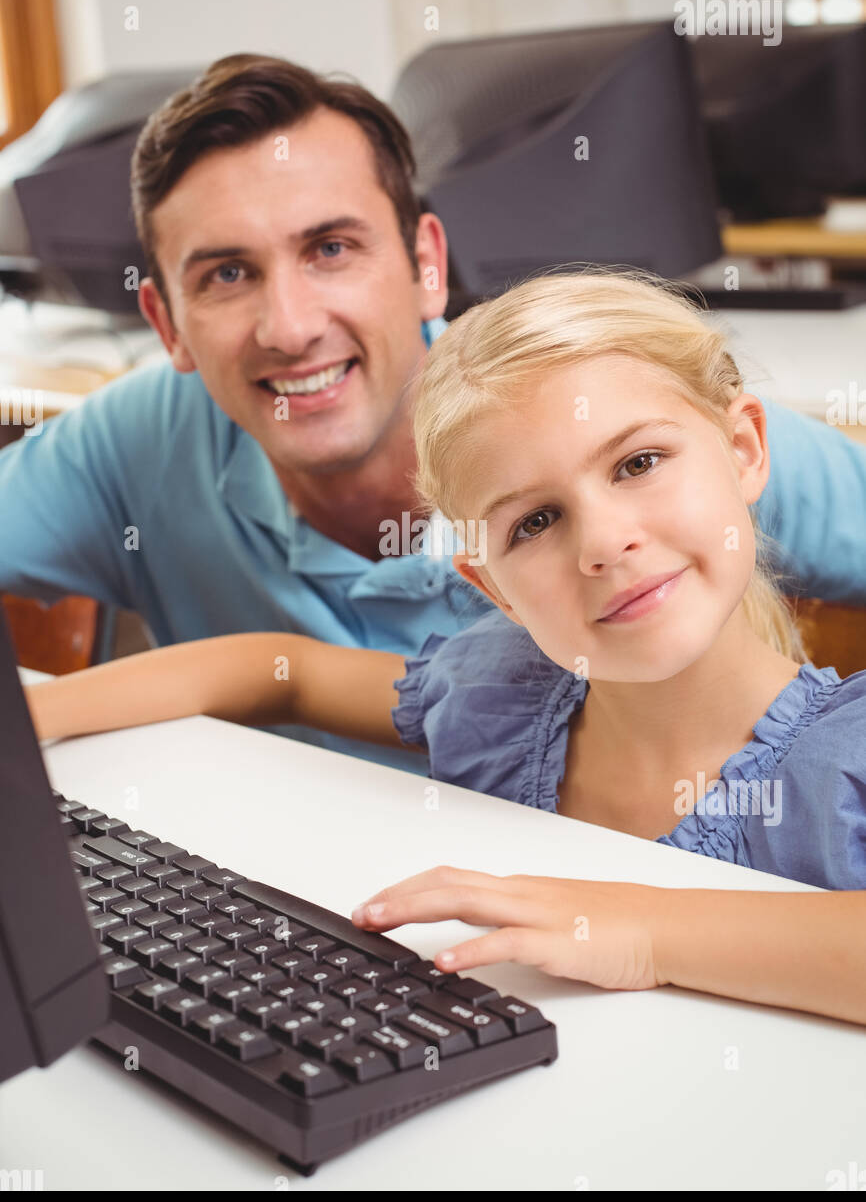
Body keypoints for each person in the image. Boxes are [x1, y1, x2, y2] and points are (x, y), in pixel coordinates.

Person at [25, 271, 866, 1028]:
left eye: (638, 461)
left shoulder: (843, 764)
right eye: (534, 522)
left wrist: (642, 931)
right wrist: (31, 719)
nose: (605, 543)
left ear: (746, 449)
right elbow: (280, 670)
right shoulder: (503, 694)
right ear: (494, 586)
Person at [2, 54, 866, 777]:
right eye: (226, 275)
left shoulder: (622, 426)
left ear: (425, 262)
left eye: (331, 249)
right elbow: (283, 677)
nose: (291, 326)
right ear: (166, 325)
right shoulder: (130, 445)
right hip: (293, 948)